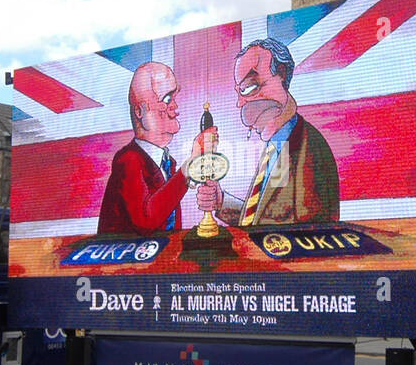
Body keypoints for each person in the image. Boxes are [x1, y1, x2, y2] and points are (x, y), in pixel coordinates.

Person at [197, 37, 339, 226]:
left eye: (250, 88)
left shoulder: (309, 147)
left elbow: (310, 232)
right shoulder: (276, 145)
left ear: (281, 74)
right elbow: (261, 217)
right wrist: (222, 201)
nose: (240, 103)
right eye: (239, 92)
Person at [97, 61, 213, 235]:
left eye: (174, 98)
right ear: (139, 112)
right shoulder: (128, 160)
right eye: (167, 99)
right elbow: (147, 220)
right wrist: (190, 165)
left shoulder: (167, 163)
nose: (174, 106)